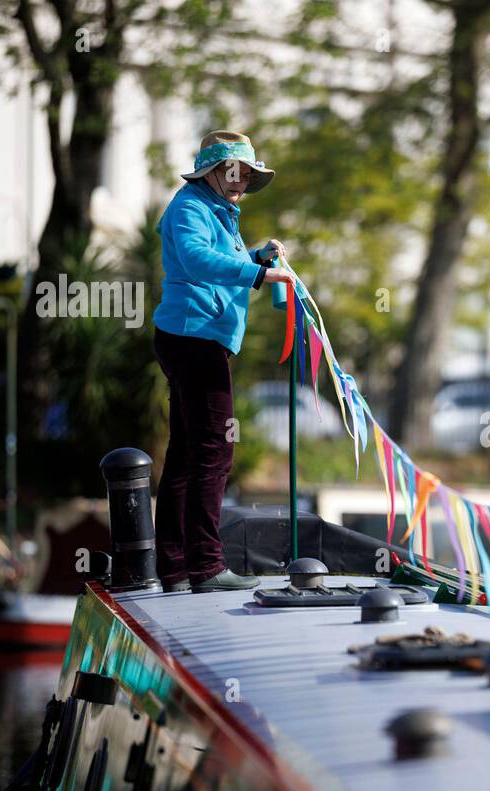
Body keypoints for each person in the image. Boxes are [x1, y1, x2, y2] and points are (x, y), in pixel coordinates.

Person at [152, 130, 289, 593]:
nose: (239, 180)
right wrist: (257, 273)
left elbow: (217, 263)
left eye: (246, 174)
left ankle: (173, 567)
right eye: (231, 171)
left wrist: (256, 256)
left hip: (194, 338)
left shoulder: (216, 211)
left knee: (187, 455)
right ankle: (206, 567)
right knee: (214, 449)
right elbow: (195, 261)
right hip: (194, 339)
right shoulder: (190, 206)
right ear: (210, 172)